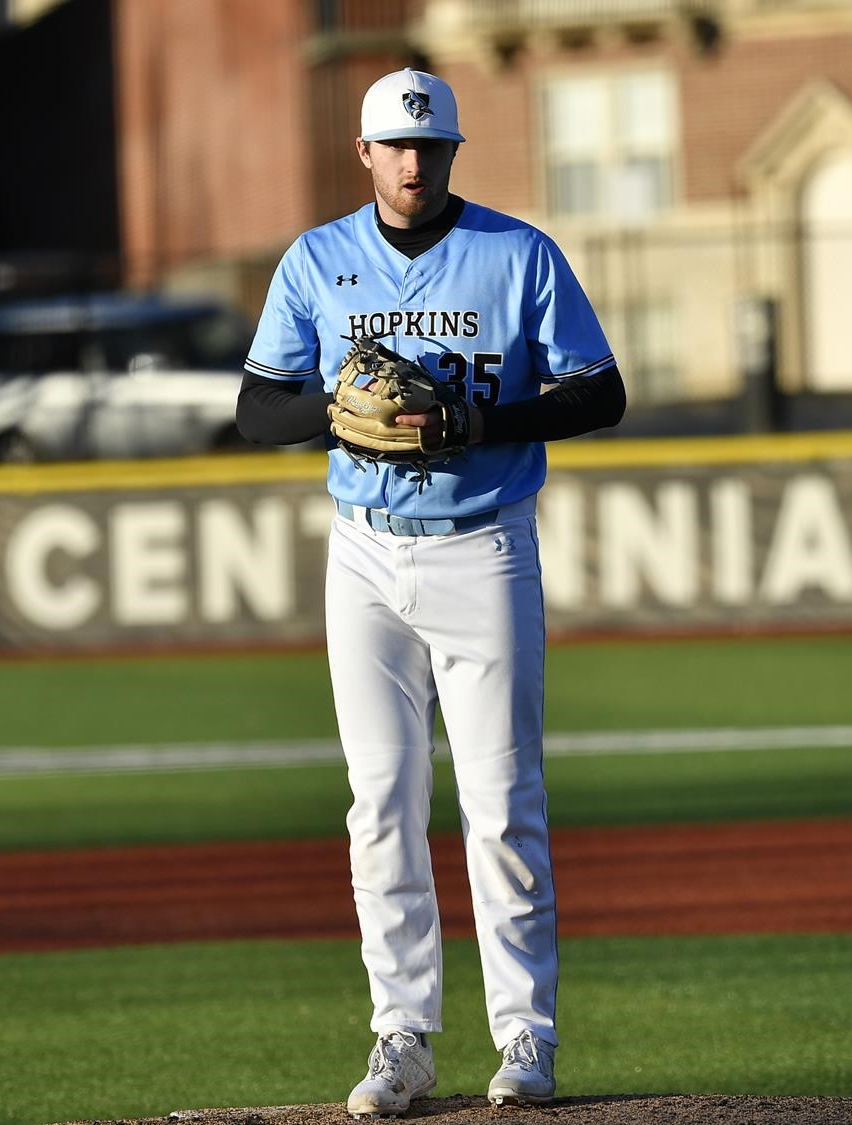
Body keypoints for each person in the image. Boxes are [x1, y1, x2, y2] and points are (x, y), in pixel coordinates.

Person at [237, 67, 627, 1118]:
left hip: (482, 546)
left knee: (500, 807)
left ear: (453, 153)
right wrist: (335, 411)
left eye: (433, 148)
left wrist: (479, 425)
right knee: (380, 804)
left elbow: (601, 390)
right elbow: (254, 408)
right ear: (363, 154)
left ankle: (524, 1040)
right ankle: (399, 1037)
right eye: (396, 148)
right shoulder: (317, 260)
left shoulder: (516, 253)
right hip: (362, 554)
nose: (415, 164)